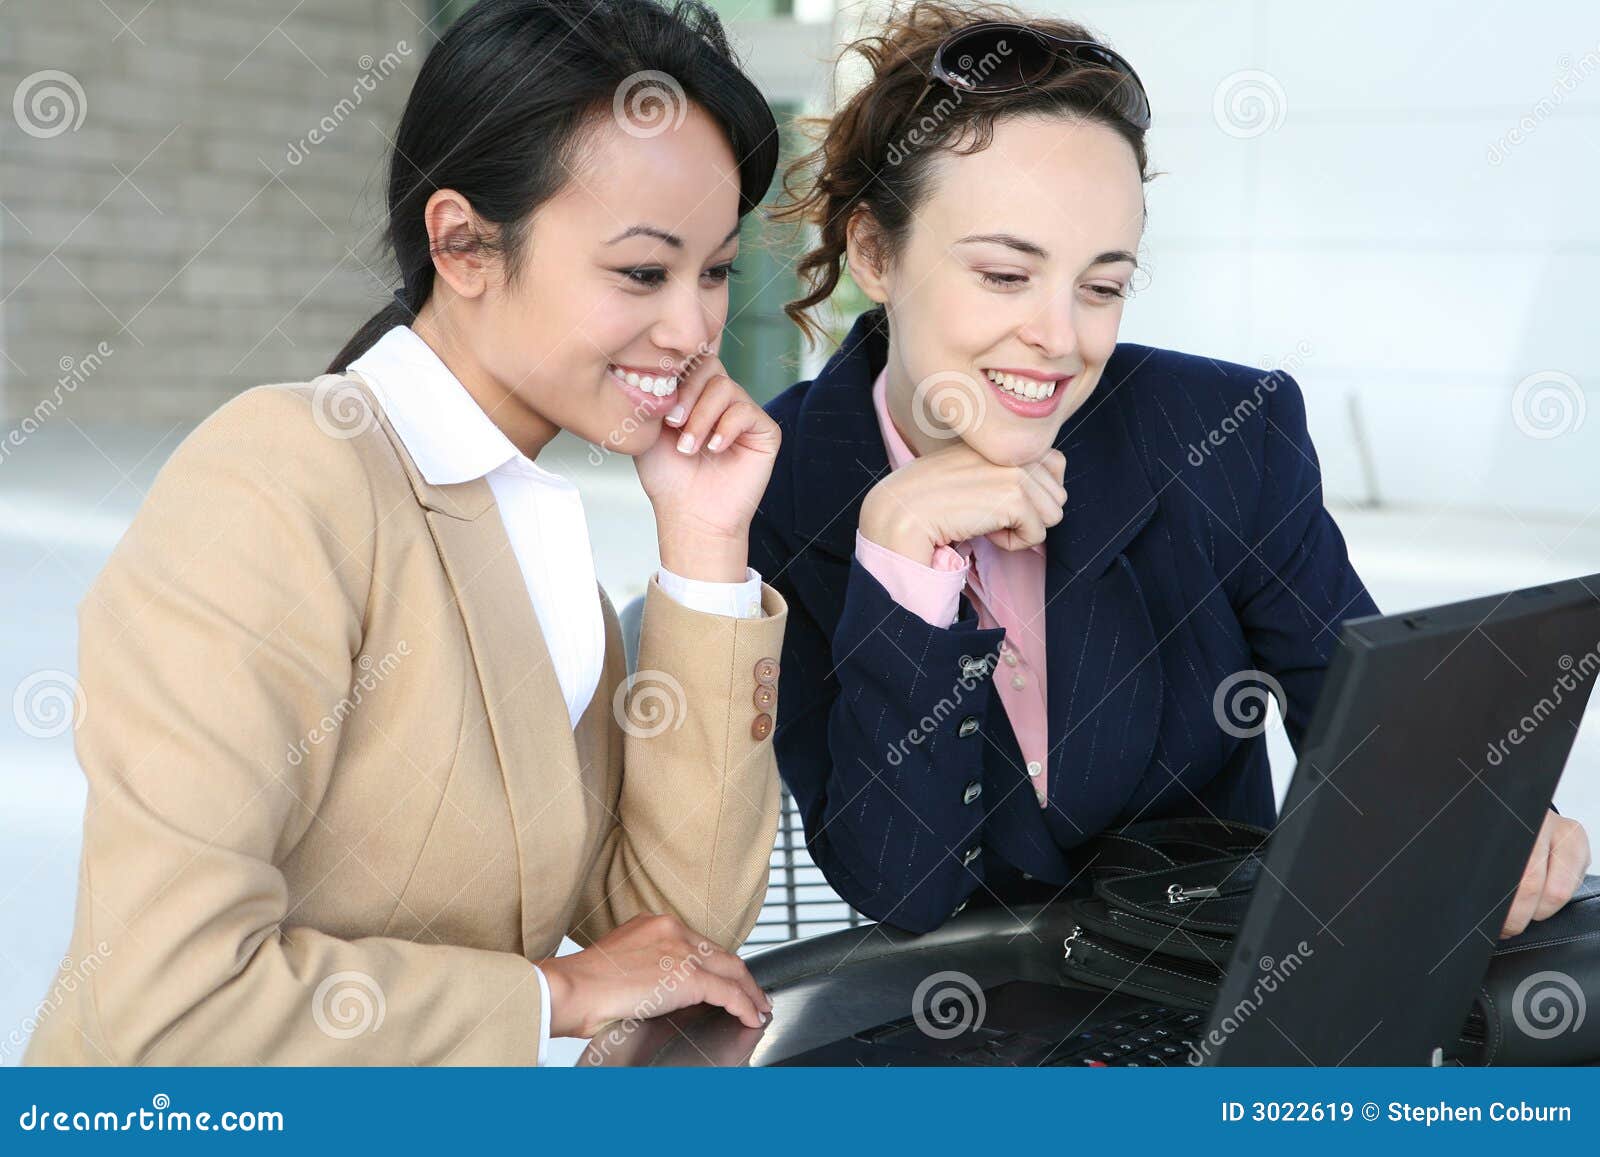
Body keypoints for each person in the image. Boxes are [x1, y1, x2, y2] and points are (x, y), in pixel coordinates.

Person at [27, 0, 789, 1065]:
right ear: (463, 244)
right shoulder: (281, 479)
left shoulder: (527, 515)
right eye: (641, 272)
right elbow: (167, 1005)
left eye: (712, 272)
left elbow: (672, 937)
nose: (695, 329)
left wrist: (707, 550)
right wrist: (550, 992)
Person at [752, 1, 1590, 936]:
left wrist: (1479, 819)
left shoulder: (1225, 434)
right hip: (959, 1033)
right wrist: (901, 560)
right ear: (874, 251)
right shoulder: (783, 486)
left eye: (1103, 285)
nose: (1059, 338)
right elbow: (901, 885)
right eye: (1003, 274)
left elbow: (1369, 738)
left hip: (1211, 1000)